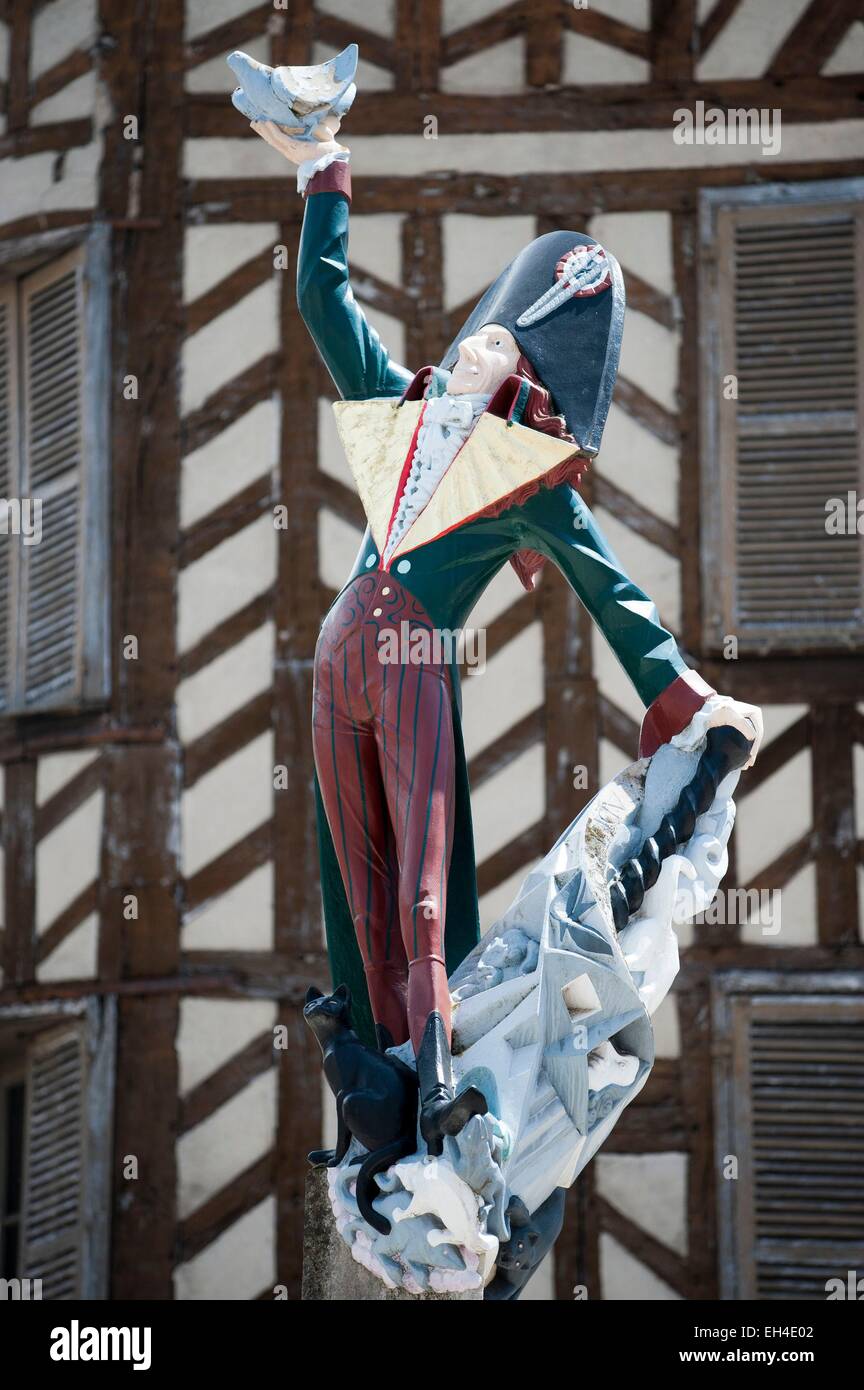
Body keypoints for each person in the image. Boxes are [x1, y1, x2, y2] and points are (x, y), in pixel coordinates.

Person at [250, 116, 762, 1155]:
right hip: (353, 652)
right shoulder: (397, 405)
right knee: (361, 885)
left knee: (421, 886)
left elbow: (606, 586)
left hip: (389, 651)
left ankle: (424, 1082)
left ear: (524, 372)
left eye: (497, 339)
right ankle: (378, 1103)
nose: (473, 342)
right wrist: (325, 171)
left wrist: (682, 697)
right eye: (475, 332)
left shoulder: (525, 472)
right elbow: (320, 298)